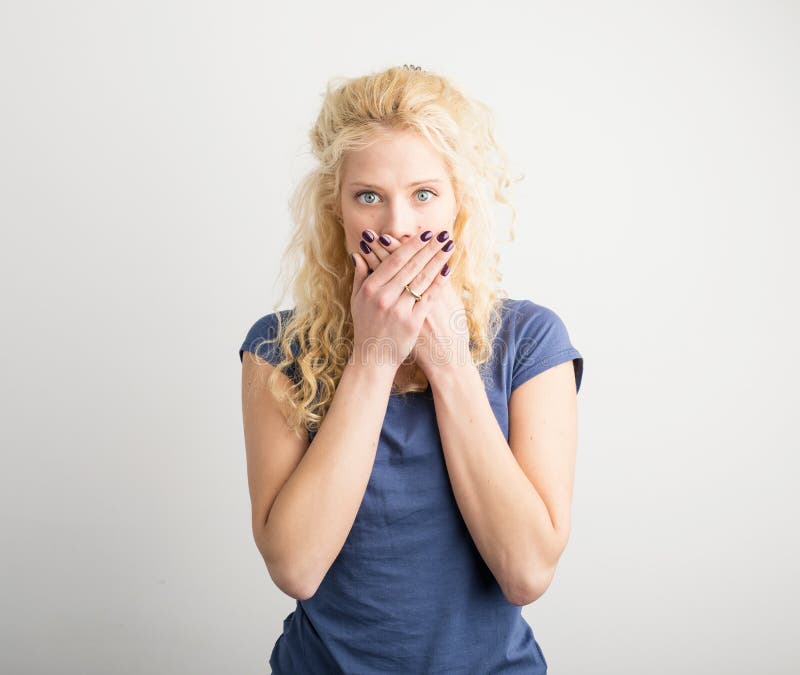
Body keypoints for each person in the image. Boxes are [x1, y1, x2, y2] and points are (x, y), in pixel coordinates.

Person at [238, 64, 584, 674]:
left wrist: (449, 361)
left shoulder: (529, 341)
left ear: (459, 205)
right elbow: (295, 567)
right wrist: (373, 360)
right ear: (336, 208)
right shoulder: (277, 348)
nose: (397, 227)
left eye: (424, 194)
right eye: (368, 196)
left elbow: (527, 572)